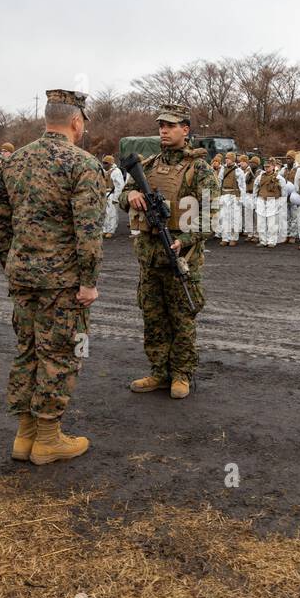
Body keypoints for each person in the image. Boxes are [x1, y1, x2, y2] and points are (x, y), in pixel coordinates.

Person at [0, 89, 106, 465]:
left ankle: (24, 437)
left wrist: (13, 264)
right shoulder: (82, 164)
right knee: (59, 356)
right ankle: (48, 439)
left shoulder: (14, 162)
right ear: (76, 121)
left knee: (26, 353)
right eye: (83, 122)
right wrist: (88, 281)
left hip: (22, 279)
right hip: (62, 283)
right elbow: (89, 232)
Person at [121, 103, 216, 399]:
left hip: (180, 257)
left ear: (185, 130)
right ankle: (159, 371)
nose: (164, 130)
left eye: (171, 125)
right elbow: (122, 195)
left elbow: (210, 212)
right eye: (161, 125)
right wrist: (132, 194)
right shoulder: (147, 166)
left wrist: (186, 239)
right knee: (153, 317)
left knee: (182, 318)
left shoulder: (199, 168)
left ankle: (181, 374)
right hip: (150, 256)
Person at [255, 157, 286, 248]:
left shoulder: (279, 178)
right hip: (261, 200)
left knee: (272, 223)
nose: (266, 168)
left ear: (273, 167)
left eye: (268, 166)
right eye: (265, 167)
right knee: (261, 222)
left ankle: (272, 241)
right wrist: (255, 200)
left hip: (273, 201)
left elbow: (283, 191)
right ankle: (263, 240)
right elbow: (255, 188)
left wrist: (281, 203)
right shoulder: (260, 176)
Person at [216, 153, 244, 246]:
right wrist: (219, 196)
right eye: (226, 158)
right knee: (224, 217)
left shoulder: (238, 171)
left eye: (228, 158)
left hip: (234, 195)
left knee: (234, 218)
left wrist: (241, 197)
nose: (226, 160)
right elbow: (219, 182)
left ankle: (233, 238)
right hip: (224, 195)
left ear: (233, 159)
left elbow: (242, 185)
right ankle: (225, 238)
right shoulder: (223, 169)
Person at [101, 154, 125, 239]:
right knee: (104, 213)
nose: (104, 164)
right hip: (104, 194)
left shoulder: (116, 172)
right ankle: (104, 229)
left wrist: (116, 197)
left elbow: (119, 185)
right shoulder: (104, 171)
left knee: (112, 213)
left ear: (110, 164)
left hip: (112, 194)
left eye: (106, 163)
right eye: (103, 162)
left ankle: (111, 230)